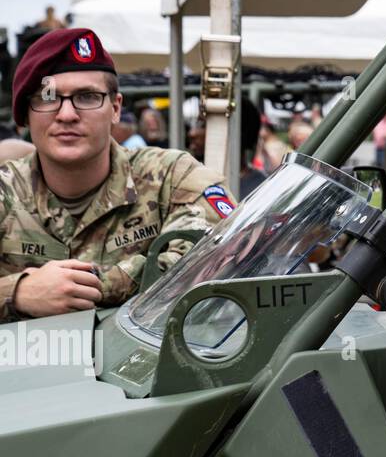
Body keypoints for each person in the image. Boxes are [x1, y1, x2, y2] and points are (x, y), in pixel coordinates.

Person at [0, 29, 232, 321]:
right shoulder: (5, 191)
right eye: (48, 98)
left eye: (87, 97)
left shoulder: (172, 177)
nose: (67, 114)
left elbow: (221, 254)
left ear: (116, 108)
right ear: (25, 114)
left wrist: (96, 285)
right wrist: (18, 292)